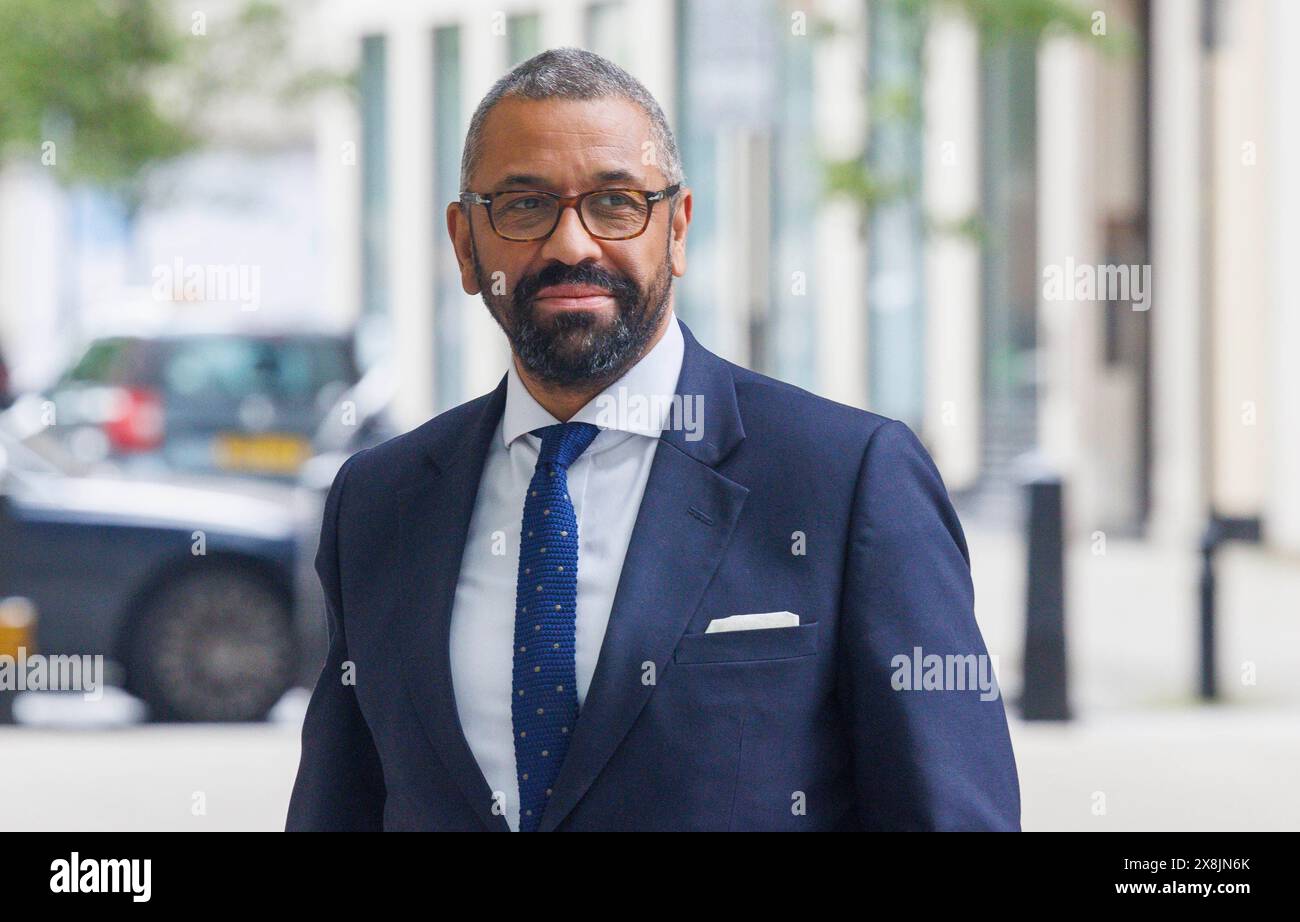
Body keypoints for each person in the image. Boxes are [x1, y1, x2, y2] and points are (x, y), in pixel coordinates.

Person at [286, 47, 1020, 832]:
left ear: (677, 228)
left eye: (615, 202)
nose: (572, 245)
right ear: (466, 244)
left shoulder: (847, 479)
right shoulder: (379, 501)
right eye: (525, 206)